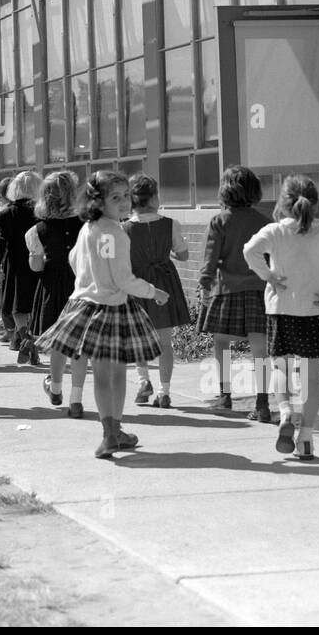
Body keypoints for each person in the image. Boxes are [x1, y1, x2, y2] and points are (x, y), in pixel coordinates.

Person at [35, 171, 169, 459]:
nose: (123, 202)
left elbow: (74, 261)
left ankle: (110, 432)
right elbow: (122, 278)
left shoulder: (89, 228)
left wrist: (90, 279)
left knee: (101, 375)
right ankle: (113, 431)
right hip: (111, 308)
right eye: (115, 197)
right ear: (98, 201)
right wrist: (153, 292)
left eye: (126, 196)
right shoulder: (114, 233)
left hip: (84, 305)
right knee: (116, 374)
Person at [244, 175, 319, 462]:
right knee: (311, 378)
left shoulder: (274, 231)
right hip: (318, 311)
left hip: (281, 309)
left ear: (282, 203)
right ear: (316, 204)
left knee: (280, 367)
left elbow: (249, 251)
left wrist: (268, 275)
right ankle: (305, 439)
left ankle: (284, 413)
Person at [197, 166, 272, 418]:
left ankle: (225, 395)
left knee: (221, 343)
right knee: (259, 347)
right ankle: (262, 403)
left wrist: (205, 285)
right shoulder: (265, 221)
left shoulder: (219, 221)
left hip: (226, 291)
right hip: (259, 291)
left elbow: (210, 260)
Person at [124, 173, 191, 409]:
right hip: (165, 281)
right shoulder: (171, 224)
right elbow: (183, 254)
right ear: (154, 197)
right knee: (165, 341)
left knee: (138, 338)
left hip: (137, 283)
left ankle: (143, 381)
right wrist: (170, 253)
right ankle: (164, 392)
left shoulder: (124, 228)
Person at [28, 171, 87, 415]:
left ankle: (55, 386)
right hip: (80, 287)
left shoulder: (36, 231)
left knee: (58, 345)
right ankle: (76, 398)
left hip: (52, 287)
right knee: (80, 347)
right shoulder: (87, 225)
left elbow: (36, 266)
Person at [0, 170, 43, 364]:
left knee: (17, 307)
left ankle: (25, 338)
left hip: (14, 265)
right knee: (36, 305)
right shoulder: (42, 211)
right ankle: (33, 339)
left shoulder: (4, 214)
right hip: (39, 263)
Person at [0, 177, 17, 344]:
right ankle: (15, 330)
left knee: (3, 295)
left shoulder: (3, 214)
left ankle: (10, 330)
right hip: (19, 259)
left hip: (5, 260)